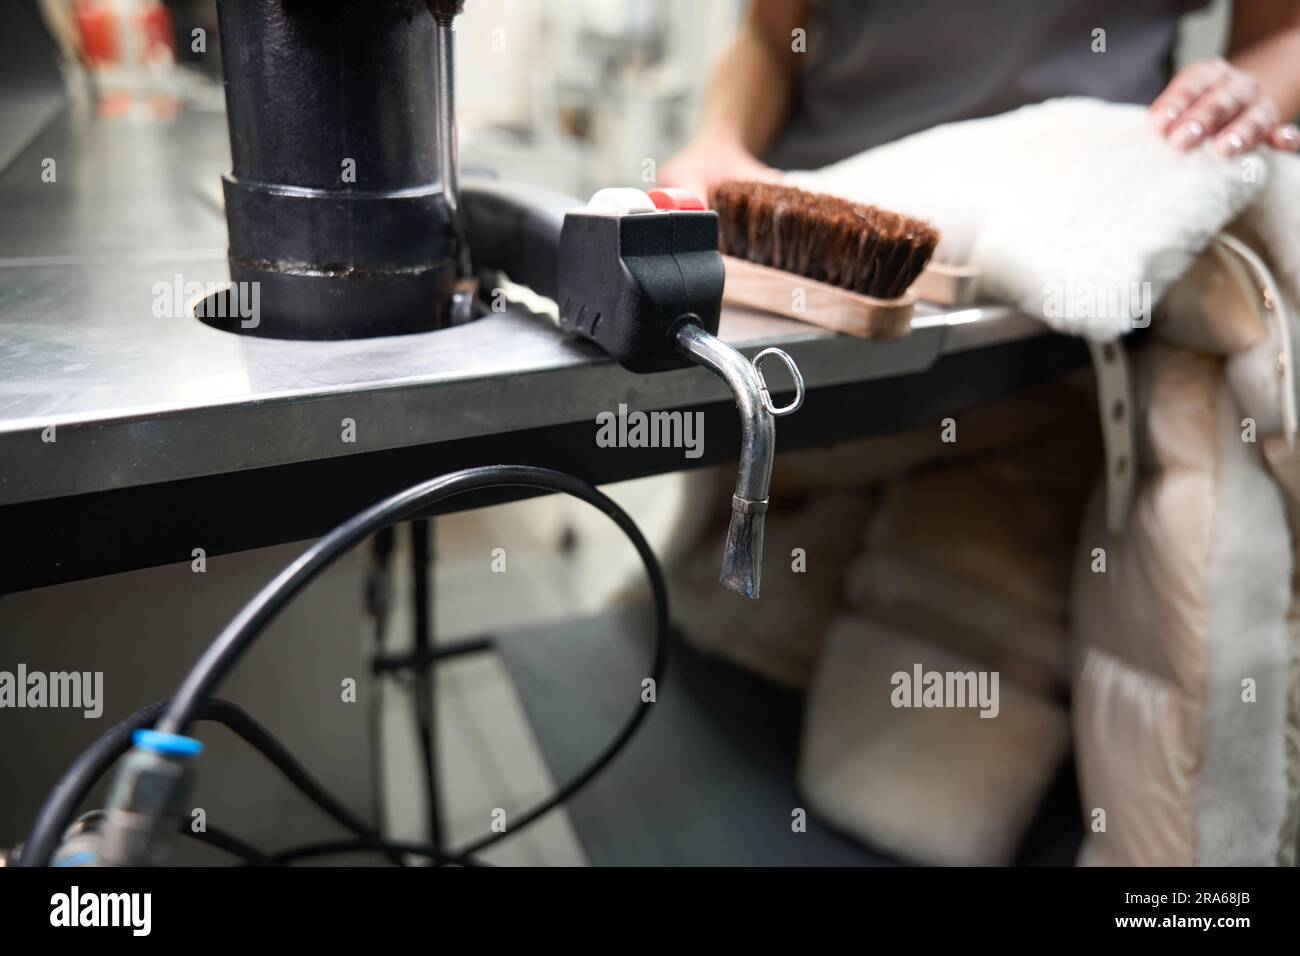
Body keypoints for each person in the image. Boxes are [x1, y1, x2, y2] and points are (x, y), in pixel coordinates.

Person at [662, 0, 1300, 198]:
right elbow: (771, 38)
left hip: (1068, 282)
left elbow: (1283, 33)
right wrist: (720, 141)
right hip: (816, 261)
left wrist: (1236, 97)